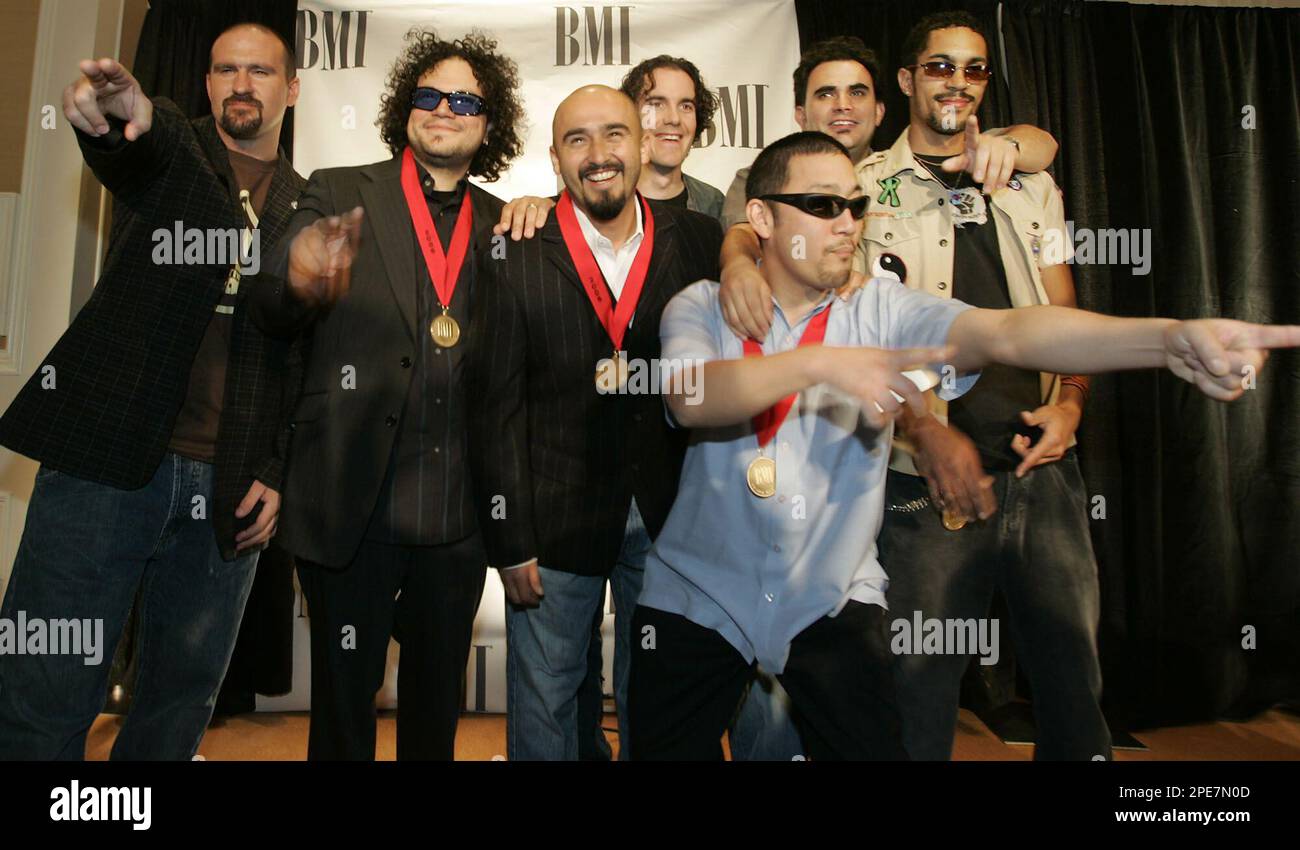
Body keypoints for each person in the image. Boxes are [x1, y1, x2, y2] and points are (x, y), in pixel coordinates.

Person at [627, 130, 1299, 760]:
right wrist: (821, 364)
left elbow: (1008, 332)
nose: (846, 223)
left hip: (828, 596)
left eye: (854, 206)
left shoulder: (883, 310)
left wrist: (1166, 338)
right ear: (763, 220)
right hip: (698, 594)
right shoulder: (703, 304)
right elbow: (690, 397)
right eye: (822, 205)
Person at [0, 23, 304, 760]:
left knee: (176, 710)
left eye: (261, 71)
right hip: (104, 464)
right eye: (225, 68)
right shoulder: (178, 151)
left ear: (291, 89)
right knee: (43, 695)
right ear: (204, 85)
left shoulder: (311, 201)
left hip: (226, 487)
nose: (241, 84)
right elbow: (141, 148)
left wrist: (276, 469)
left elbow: (309, 362)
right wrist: (119, 122)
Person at [253, 29, 525, 761]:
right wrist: (295, 268)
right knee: (344, 709)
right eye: (429, 94)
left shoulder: (506, 223)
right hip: (351, 498)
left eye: (465, 99)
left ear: (488, 122)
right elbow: (273, 304)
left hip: (458, 512)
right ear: (406, 109)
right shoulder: (340, 189)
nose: (444, 108)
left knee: (436, 712)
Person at [859, 11, 1108, 760]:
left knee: (1073, 690)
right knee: (917, 697)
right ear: (907, 81)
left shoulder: (1032, 184)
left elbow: (1066, 314)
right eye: (939, 67)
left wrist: (1069, 405)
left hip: (1044, 470)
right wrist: (919, 432)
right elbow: (854, 337)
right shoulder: (866, 187)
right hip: (923, 483)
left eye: (973, 70)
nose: (957, 83)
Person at [466, 85, 722, 760]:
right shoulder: (512, 248)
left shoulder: (698, 239)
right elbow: (495, 406)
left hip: (671, 521)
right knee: (546, 708)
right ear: (554, 157)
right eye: (577, 140)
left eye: (614, 134)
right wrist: (509, 539)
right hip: (553, 520)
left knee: (659, 700)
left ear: (642, 144)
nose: (599, 154)